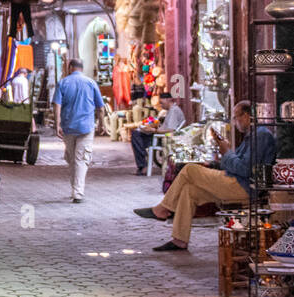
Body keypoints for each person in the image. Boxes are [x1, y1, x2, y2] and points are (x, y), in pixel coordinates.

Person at [134, 100, 276, 252]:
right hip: (235, 181)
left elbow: (244, 169)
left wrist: (227, 152)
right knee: (189, 190)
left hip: (243, 187)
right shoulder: (252, 135)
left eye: (236, 117)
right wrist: (221, 156)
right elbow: (236, 163)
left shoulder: (261, 136)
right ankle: (179, 240)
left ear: (247, 116)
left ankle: (162, 209)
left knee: (190, 169)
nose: (235, 122)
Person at [52, 59, 105, 203]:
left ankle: (76, 189)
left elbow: (57, 105)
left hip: (68, 127)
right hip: (86, 127)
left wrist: (57, 125)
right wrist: (102, 124)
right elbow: (100, 107)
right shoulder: (91, 83)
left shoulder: (62, 83)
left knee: (72, 159)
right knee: (81, 159)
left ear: (70, 68)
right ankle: (77, 191)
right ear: (82, 68)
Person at [130, 92, 186, 175]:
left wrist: (154, 130)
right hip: (159, 135)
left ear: (168, 99)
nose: (161, 105)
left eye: (162, 103)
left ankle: (144, 164)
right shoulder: (170, 110)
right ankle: (143, 162)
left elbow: (170, 130)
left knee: (136, 136)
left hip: (162, 138)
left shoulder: (174, 111)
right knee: (136, 134)